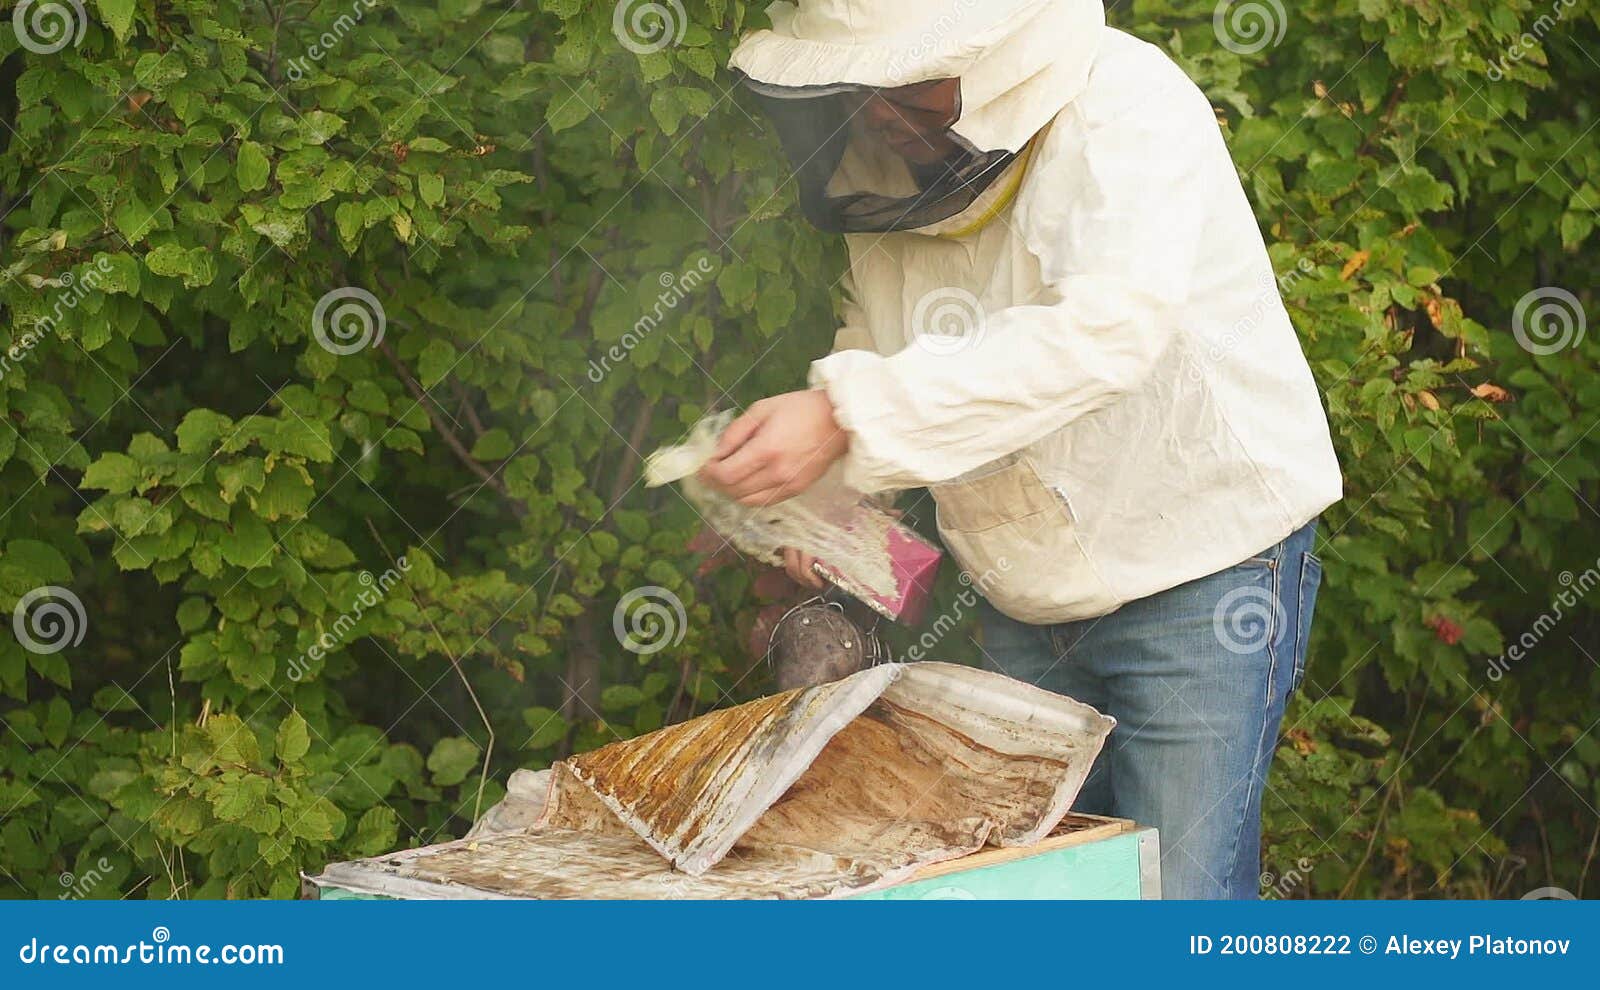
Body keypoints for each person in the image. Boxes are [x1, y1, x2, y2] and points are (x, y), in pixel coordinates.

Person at [698, 0, 1342, 899]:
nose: (882, 107)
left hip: (1202, 573)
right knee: (1050, 893)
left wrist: (846, 419)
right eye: (864, 86)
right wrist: (838, 483)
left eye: (907, 80)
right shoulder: (884, 162)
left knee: (1176, 900)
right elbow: (877, 331)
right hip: (1025, 591)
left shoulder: (1127, 106)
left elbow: (1103, 334)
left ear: (998, 51)